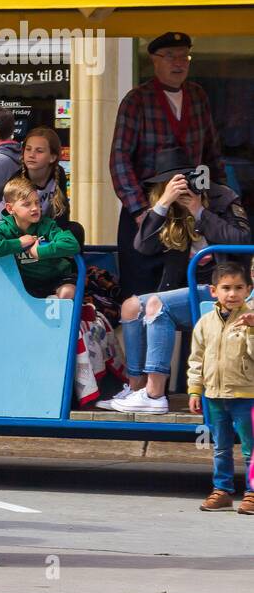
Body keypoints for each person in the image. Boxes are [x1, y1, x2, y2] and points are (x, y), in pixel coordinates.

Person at [100, 146, 250, 414]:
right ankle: (137, 387)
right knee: (130, 307)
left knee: (157, 305)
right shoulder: (166, 206)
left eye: (183, 179)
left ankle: (155, 394)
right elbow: (142, 246)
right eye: (171, 182)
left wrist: (199, 212)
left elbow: (242, 240)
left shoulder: (221, 198)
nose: (181, 187)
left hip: (225, 292)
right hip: (189, 292)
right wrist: (163, 203)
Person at [111, 31, 225, 297]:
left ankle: (192, 340)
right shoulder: (136, 100)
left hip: (189, 209)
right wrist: (141, 211)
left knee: (192, 292)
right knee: (141, 294)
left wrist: (220, 204)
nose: (179, 63)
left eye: (184, 56)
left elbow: (212, 153)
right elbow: (120, 159)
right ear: (154, 60)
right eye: (171, 56)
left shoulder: (197, 96)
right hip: (147, 207)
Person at [186, 262, 254, 514]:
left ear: (249, 289)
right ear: (214, 291)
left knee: (251, 448)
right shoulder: (205, 323)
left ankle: (252, 493)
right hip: (214, 395)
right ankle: (222, 490)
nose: (232, 293)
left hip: (247, 395)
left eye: (239, 287)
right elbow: (197, 358)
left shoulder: (252, 318)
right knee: (221, 446)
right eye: (226, 288)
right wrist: (195, 389)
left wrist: (252, 330)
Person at [0, 176, 80, 300]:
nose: (34, 208)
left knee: (67, 292)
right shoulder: (4, 229)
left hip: (57, 278)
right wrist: (19, 243)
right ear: (10, 208)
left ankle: (57, 303)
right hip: (25, 284)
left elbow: (72, 244)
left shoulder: (47, 225)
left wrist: (39, 251)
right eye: (27, 204)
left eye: (37, 202)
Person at [0, 126, 83, 246]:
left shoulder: (58, 173)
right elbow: (11, 221)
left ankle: (69, 263)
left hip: (43, 227)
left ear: (52, 157)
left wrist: (57, 237)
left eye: (39, 151)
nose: (31, 155)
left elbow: (62, 214)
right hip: (16, 230)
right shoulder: (17, 180)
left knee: (75, 230)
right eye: (28, 149)